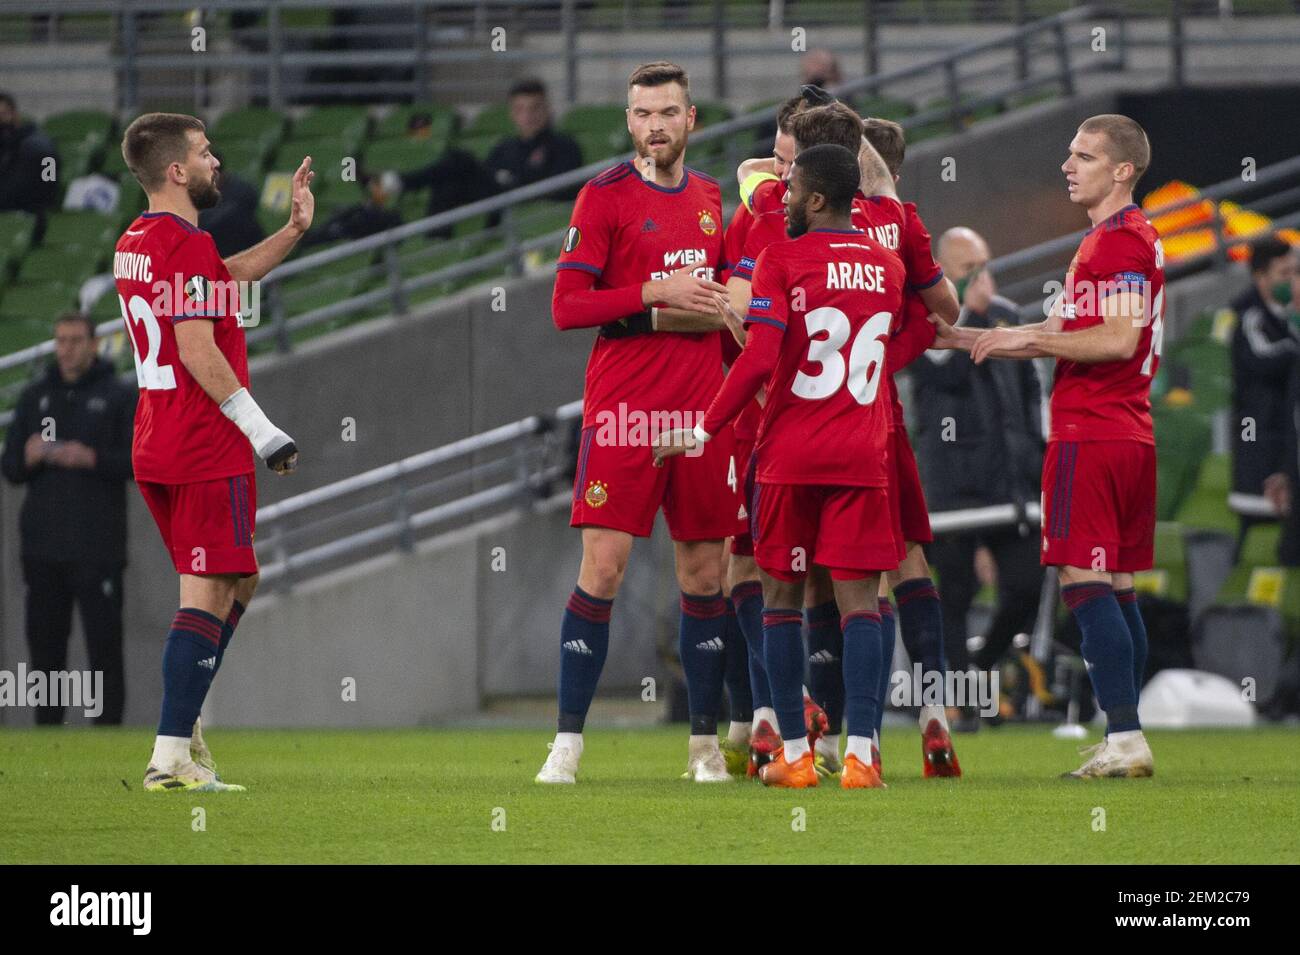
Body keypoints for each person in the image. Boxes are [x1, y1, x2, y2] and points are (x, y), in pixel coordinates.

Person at [654, 143, 908, 790]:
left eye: (791, 188)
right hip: (863, 454)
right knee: (861, 605)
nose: (783, 197)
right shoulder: (888, 265)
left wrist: (702, 429)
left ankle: (794, 752)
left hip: (791, 456)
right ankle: (862, 754)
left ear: (816, 198)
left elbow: (760, 357)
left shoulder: (781, 259)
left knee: (781, 601)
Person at [734, 103, 965, 778]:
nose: (781, 173)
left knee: (771, 577)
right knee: (894, 570)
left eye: (788, 160)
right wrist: (883, 362)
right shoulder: (895, 222)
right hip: (875, 419)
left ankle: (798, 731)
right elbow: (943, 313)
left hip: (795, 423)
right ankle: (910, 723)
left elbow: (750, 315)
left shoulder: (777, 215)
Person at [536, 61, 741, 785]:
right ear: (629, 121)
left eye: (668, 113)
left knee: (706, 574)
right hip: (623, 411)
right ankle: (566, 744)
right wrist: (656, 293)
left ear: (691, 120)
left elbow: (725, 310)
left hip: (700, 414)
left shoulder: (712, 197)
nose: (655, 126)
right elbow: (567, 307)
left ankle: (704, 747)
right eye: (643, 114)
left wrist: (727, 332)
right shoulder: (603, 197)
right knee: (603, 568)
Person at [115, 112, 310, 792]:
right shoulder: (186, 245)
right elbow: (197, 346)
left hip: (157, 440)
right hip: (204, 445)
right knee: (205, 595)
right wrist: (264, 432)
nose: (214, 161)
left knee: (239, 579)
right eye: (203, 153)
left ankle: (185, 710)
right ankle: (171, 756)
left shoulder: (138, 240)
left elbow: (219, 280)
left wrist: (292, 231)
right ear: (177, 171)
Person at [970, 114, 1164, 779]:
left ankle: (1126, 735)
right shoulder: (1118, 238)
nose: (1067, 165)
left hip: (1092, 432)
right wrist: (969, 337)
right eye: (1069, 153)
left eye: (1084, 156)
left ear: (1122, 170)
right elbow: (1058, 328)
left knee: (1085, 582)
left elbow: (1118, 338)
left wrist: (1032, 339)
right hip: (1127, 434)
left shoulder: (1119, 242)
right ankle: (1125, 733)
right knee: (1117, 586)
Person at [911, 227, 1045, 727]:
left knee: (1026, 586)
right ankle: (961, 698)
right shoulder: (925, 317)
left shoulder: (1008, 314)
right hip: (952, 484)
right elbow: (942, 373)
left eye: (984, 264)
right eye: (969, 269)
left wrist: (1035, 452)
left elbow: (1031, 391)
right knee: (955, 593)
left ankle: (983, 665)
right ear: (944, 271)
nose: (980, 276)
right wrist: (967, 315)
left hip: (1009, 483)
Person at [0, 313, 136, 725]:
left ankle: (108, 733)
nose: (67, 349)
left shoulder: (118, 395)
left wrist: (92, 458)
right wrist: (28, 456)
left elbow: (139, 461)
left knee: (104, 648)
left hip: (98, 547)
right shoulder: (36, 396)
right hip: (42, 549)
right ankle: (49, 735)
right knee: (45, 652)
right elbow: (10, 468)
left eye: (76, 340)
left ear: (94, 344)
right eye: (61, 340)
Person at [390, 77, 583, 226]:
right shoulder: (505, 147)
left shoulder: (563, 145)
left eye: (535, 108)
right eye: (520, 109)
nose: (528, 116)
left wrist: (513, 179)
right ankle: (435, 239)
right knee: (449, 180)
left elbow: (563, 187)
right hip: (496, 199)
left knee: (461, 159)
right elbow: (488, 175)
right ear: (512, 114)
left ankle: (403, 182)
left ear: (547, 109)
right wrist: (504, 178)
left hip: (522, 203)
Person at [1228, 236, 1299, 556]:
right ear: (1261, 277)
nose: (1292, 280)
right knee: (1257, 547)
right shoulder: (1250, 317)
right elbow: (1263, 359)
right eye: (1284, 273)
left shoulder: (1289, 315)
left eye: (1295, 272)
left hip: (1286, 441)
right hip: (1258, 437)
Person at [0, 92, 59, 217]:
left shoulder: (38, 146)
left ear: (15, 115)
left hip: (25, 211)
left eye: (3, 115)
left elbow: (49, 182)